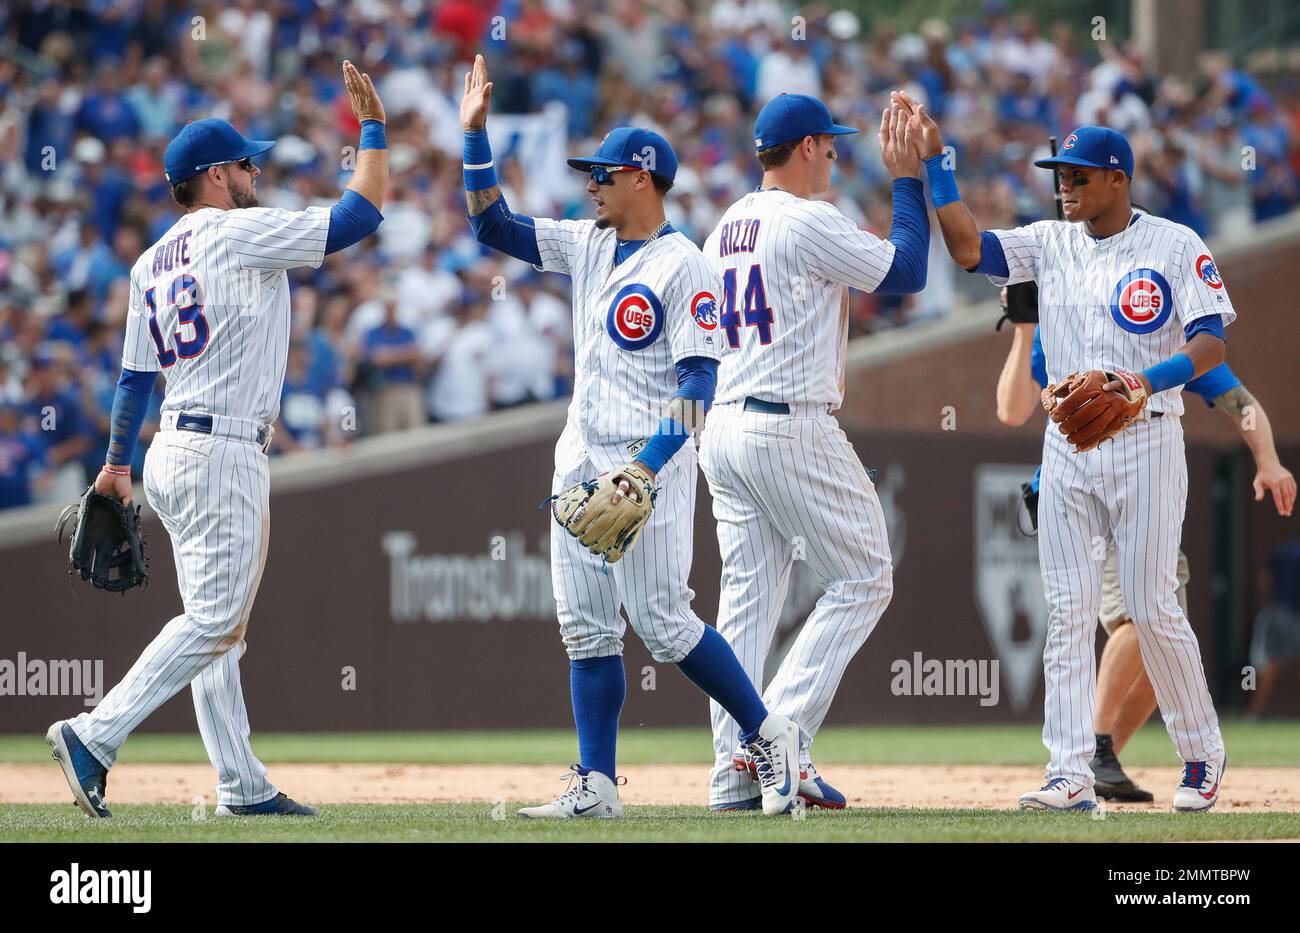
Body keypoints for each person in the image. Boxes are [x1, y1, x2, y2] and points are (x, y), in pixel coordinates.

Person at [44, 62, 388, 819]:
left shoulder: (147, 263)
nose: (255, 170)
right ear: (215, 177)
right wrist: (372, 129)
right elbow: (362, 215)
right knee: (214, 622)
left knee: (218, 631)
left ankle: (242, 785)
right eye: (244, 162)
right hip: (223, 450)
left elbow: (135, 379)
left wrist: (115, 465)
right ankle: (94, 735)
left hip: (169, 448)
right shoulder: (239, 231)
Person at [461, 53, 800, 818]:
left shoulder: (686, 267)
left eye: (603, 174)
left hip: (650, 465)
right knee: (584, 628)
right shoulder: (586, 244)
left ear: (641, 177)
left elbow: (698, 387)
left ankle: (771, 731)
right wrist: (475, 137)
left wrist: (644, 471)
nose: (592, 184)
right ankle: (598, 784)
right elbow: (491, 222)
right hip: (580, 457)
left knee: (664, 620)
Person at [911, 88, 1234, 812]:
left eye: (1079, 175)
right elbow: (967, 247)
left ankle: (1202, 753)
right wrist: (938, 164)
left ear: (1118, 179)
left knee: (1151, 605)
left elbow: (1211, 339)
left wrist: (1140, 381)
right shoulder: (1046, 242)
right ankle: (1069, 772)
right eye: (1059, 174)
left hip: (1147, 435)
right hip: (1067, 443)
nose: (1065, 185)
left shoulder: (1175, 244)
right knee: (1066, 608)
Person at [700, 93, 929, 811]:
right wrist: (909, 180)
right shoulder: (807, 219)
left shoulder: (726, 224)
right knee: (865, 574)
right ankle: (782, 738)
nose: (834, 152)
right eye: (828, 143)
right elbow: (906, 273)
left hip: (725, 425)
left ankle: (734, 774)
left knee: (748, 600)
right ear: (805, 148)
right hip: (785, 420)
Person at [997, 301, 1295, 800]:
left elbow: (1242, 402)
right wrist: (1026, 327)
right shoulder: (1063, 327)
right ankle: (1090, 752)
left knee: (1158, 634)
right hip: (1075, 494)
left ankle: (1100, 760)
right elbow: (1010, 410)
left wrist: (1268, 459)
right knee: (1148, 616)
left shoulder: (1160, 349)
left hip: (1135, 488)